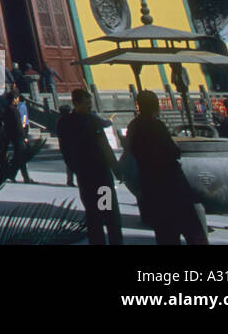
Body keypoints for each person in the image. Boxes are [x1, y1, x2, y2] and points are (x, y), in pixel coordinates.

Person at [125, 90, 208, 245]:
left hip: (149, 182)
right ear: (155, 105)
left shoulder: (134, 125)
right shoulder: (156, 125)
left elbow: (131, 151)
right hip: (171, 182)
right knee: (192, 228)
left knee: (165, 231)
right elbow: (172, 151)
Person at [61, 88, 123, 244]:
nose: (89, 107)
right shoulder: (66, 123)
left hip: (102, 175)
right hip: (86, 177)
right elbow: (66, 150)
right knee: (93, 216)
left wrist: (117, 170)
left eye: (90, 103)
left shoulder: (94, 120)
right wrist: (76, 169)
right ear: (75, 103)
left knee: (109, 213)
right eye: (86, 104)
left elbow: (106, 147)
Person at [3, 91, 34, 184]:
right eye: (17, 98)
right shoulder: (14, 109)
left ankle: (14, 175)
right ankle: (24, 177)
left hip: (13, 135)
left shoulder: (7, 109)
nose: (18, 100)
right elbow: (20, 123)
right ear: (14, 99)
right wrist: (24, 136)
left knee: (18, 157)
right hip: (18, 136)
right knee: (21, 157)